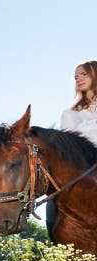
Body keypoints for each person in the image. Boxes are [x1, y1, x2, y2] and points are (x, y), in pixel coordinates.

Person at [47, 60, 97, 236]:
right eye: (76, 77)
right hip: (82, 169)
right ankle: (55, 245)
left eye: (84, 74)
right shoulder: (69, 114)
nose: (78, 79)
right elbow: (69, 149)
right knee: (52, 200)